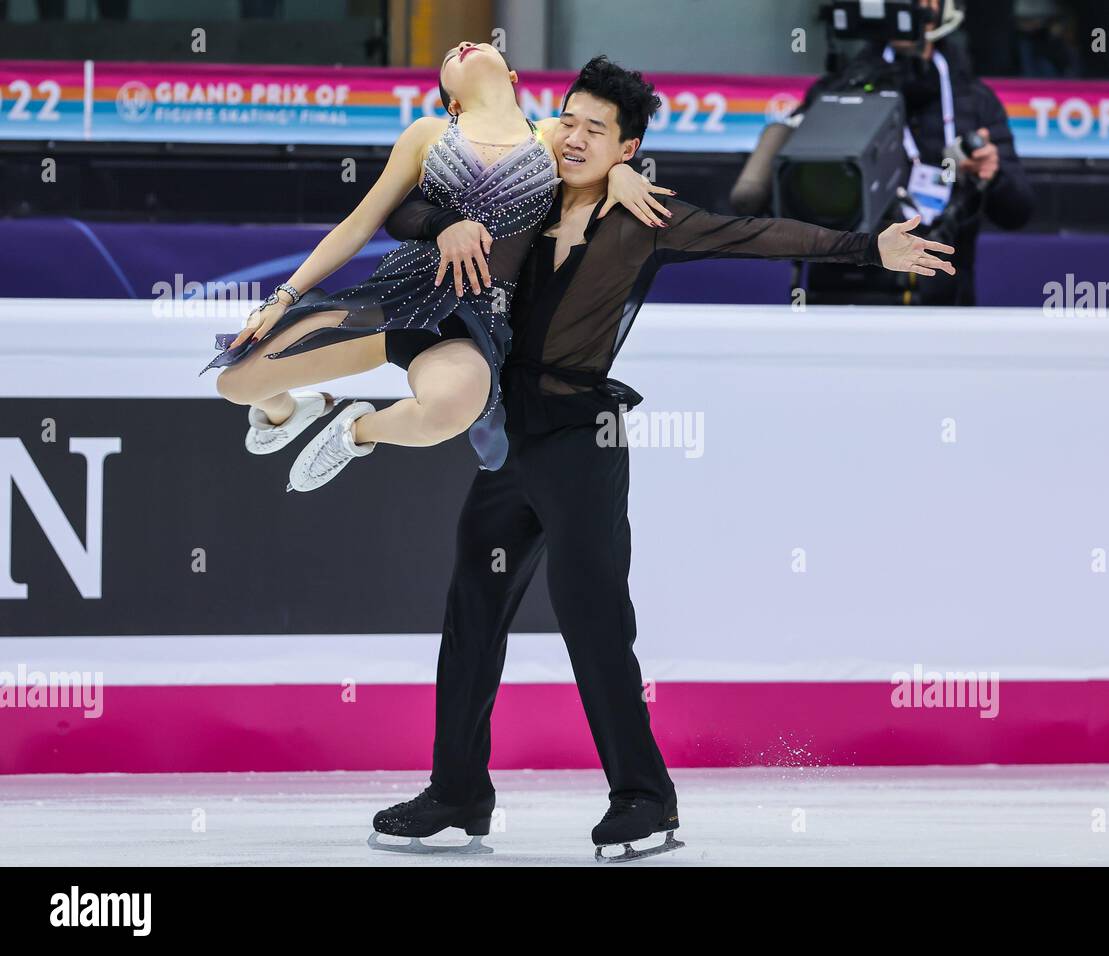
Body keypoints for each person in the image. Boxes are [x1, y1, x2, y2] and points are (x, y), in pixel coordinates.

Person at [370, 55, 954, 860]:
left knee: (593, 617)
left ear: (627, 146)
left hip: (580, 439)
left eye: (594, 130)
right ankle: (459, 792)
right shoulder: (520, 191)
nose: (572, 137)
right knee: (472, 610)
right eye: (567, 120)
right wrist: (446, 225)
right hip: (508, 437)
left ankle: (645, 800)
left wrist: (866, 248)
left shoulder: (645, 216)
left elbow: (753, 233)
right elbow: (403, 212)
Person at [200, 41, 662, 484]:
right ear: (453, 103)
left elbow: (601, 146)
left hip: (475, 315)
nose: (462, 44)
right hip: (396, 297)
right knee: (236, 385)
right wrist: (283, 298)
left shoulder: (552, 134)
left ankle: (355, 431)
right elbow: (359, 224)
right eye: (449, 57)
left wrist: (621, 171)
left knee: (449, 409)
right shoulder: (429, 133)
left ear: (513, 77)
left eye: (479, 45)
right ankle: (290, 411)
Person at [731, 0, 1032, 306]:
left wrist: (992, 175)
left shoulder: (974, 100)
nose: (909, 6)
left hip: (943, 303)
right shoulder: (836, 92)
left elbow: (1018, 211)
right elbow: (771, 203)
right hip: (843, 298)